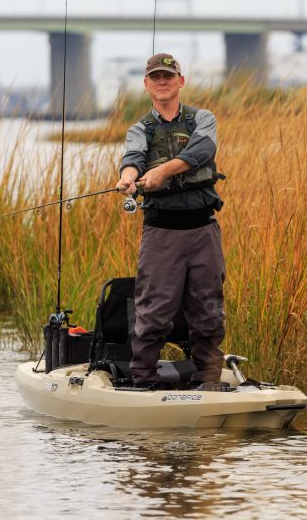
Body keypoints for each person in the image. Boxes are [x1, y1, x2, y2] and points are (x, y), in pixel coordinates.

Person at [115, 53, 227, 390]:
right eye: (155, 77)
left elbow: (203, 151)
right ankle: (144, 380)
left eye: (168, 76)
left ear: (181, 81)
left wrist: (163, 170)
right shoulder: (140, 129)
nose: (162, 82)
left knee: (209, 310)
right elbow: (133, 158)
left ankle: (208, 379)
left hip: (203, 230)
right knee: (154, 310)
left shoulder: (202, 119)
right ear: (146, 84)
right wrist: (128, 178)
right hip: (161, 232)